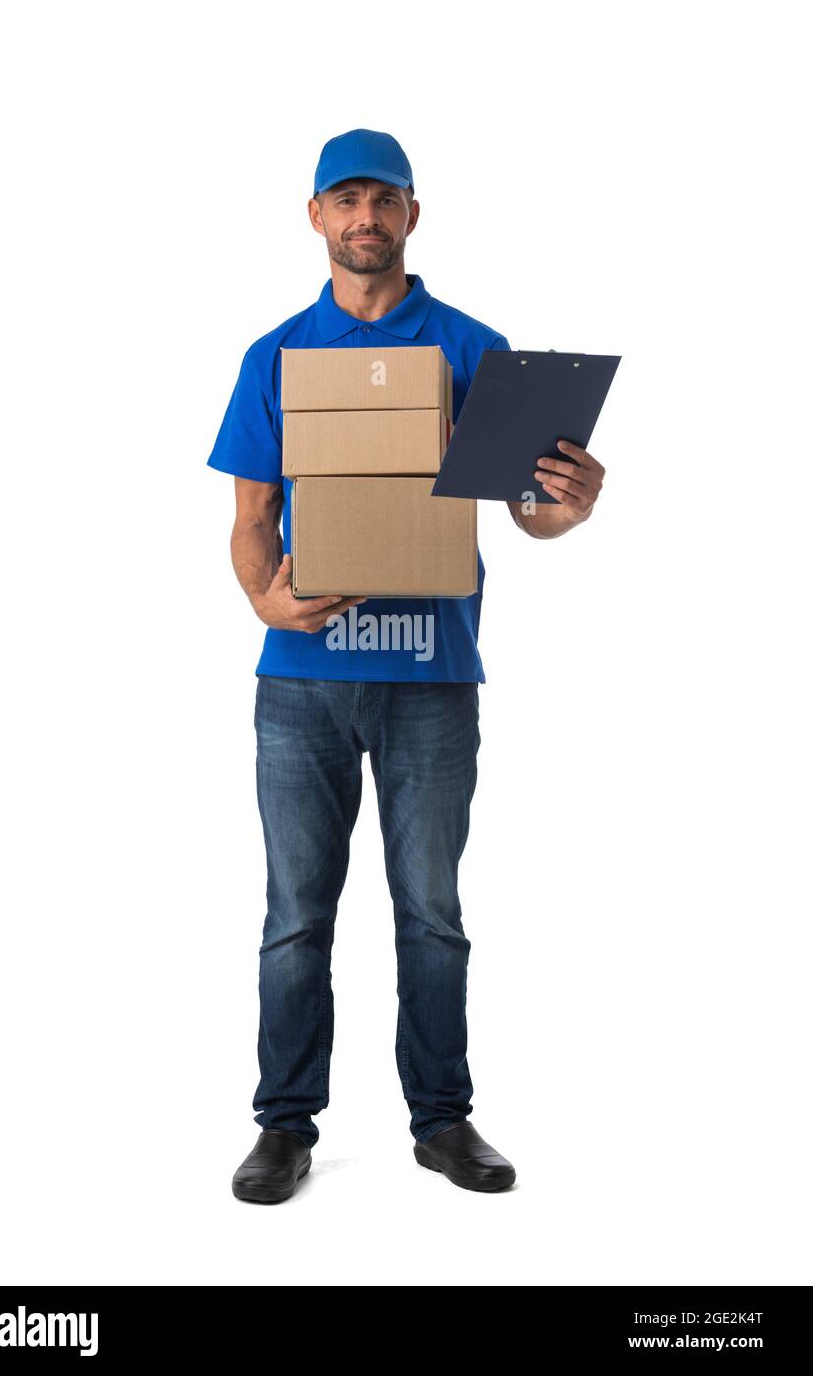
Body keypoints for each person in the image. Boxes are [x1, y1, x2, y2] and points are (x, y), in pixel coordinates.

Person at [208, 129, 606, 1204]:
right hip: (298, 682)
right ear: (316, 217)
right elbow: (249, 518)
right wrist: (262, 594)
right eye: (345, 197)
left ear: (412, 216)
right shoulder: (275, 356)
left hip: (433, 672)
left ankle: (441, 1120)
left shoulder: (474, 349)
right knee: (296, 911)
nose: (365, 215)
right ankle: (283, 1125)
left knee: (429, 908)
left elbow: (531, 513)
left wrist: (564, 506)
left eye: (384, 197)